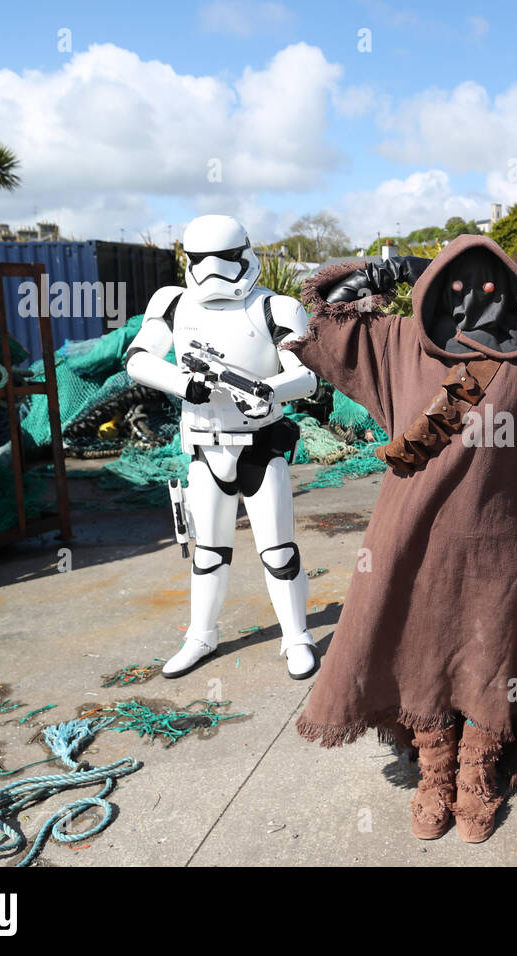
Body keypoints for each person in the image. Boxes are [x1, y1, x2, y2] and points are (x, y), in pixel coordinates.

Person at [286, 235, 517, 842]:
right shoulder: (399, 345)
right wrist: (398, 269)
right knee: (424, 652)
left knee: (493, 656)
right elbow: (328, 317)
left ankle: (475, 775)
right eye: (456, 286)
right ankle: (435, 774)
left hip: (505, 547)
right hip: (416, 543)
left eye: (492, 288)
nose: (473, 301)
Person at [125, 214, 320, 680]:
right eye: (200, 261)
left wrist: (269, 391)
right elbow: (138, 358)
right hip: (203, 448)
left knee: (278, 551)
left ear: (243, 256)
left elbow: (307, 375)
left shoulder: (276, 307)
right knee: (208, 551)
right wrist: (180, 382)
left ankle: (296, 635)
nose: (212, 272)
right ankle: (201, 634)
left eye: (224, 260)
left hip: (259, 446)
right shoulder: (173, 303)